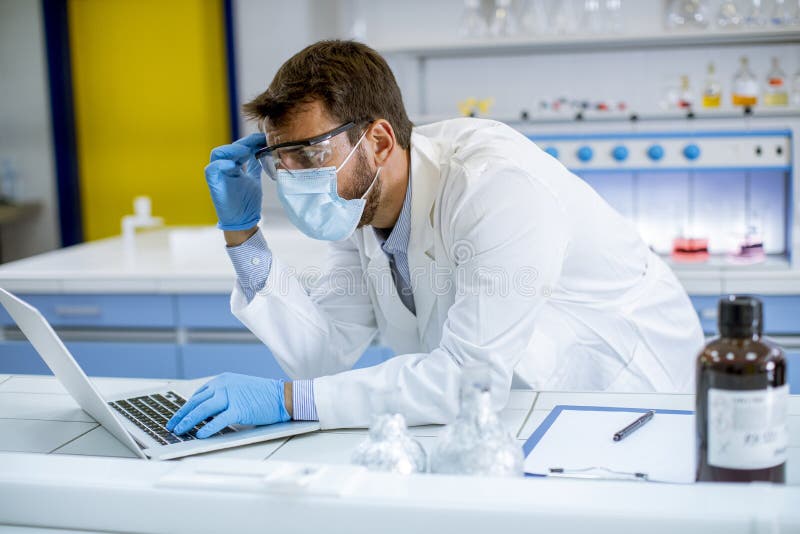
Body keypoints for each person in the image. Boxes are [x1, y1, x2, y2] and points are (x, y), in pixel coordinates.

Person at [167, 40, 704, 438]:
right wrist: (243, 233)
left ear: (377, 140)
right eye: (278, 159)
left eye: (308, 154)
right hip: (512, 402)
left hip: (627, 390)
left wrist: (287, 401)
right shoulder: (357, 208)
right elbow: (321, 355)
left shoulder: (495, 185)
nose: (291, 179)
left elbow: (466, 379)